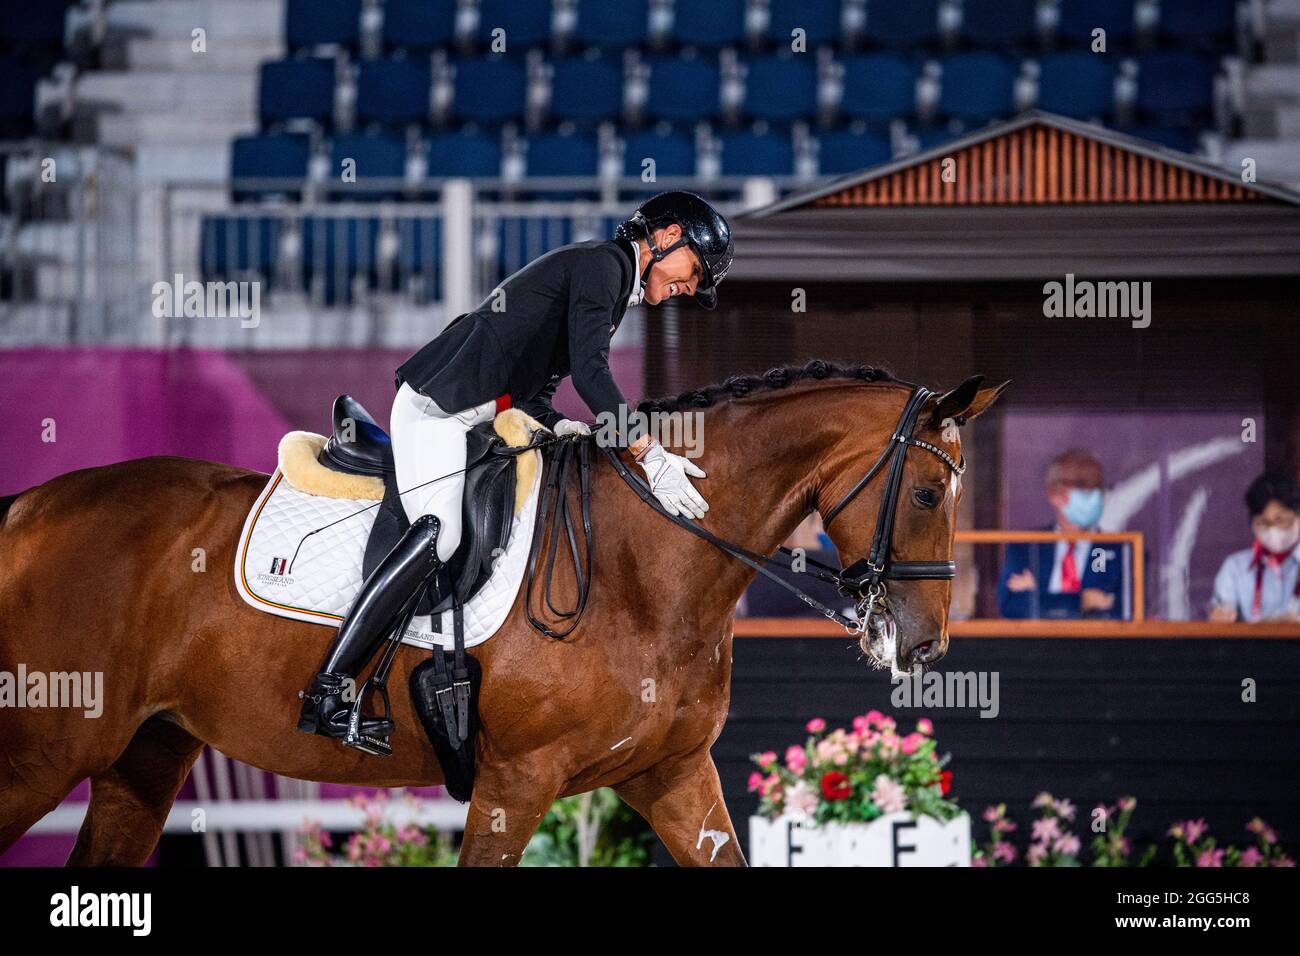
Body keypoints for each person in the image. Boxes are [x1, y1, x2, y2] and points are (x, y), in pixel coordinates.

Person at [297, 191, 734, 747]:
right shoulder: (606, 265)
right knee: (441, 532)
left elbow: (541, 385)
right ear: (667, 235)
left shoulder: (613, 278)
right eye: (692, 272)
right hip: (440, 407)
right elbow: (591, 373)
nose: (687, 288)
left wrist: (560, 425)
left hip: (473, 414)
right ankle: (329, 689)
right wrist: (647, 451)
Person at [998, 448, 1125, 620]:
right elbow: (1011, 606)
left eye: (1098, 486)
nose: (1093, 493)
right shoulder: (1026, 547)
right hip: (1035, 646)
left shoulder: (1122, 552)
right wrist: (1081, 601)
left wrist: (1039, 595)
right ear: (1053, 492)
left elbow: (1122, 612)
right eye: (1081, 485)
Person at [1209, 472, 1300, 623]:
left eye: (1281, 520)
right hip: (1251, 646)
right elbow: (1222, 616)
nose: (1273, 530)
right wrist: (1222, 615)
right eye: (1263, 523)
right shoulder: (1235, 567)